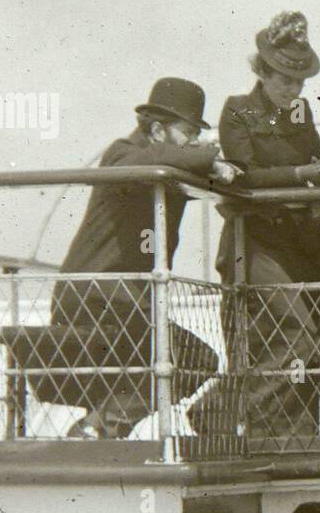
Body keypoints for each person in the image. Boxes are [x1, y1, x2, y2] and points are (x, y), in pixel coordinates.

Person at [53, 77, 234, 439]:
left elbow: (221, 177)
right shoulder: (123, 152)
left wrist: (219, 167)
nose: (193, 142)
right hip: (95, 296)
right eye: (187, 133)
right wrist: (209, 158)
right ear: (156, 130)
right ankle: (99, 428)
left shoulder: (170, 160)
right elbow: (146, 162)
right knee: (193, 361)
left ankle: (99, 428)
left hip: (125, 300)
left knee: (188, 361)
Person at [214, 11, 320, 438]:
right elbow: (242, 175)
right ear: (263, 72)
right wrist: (302, 177)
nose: (294, 90)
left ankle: (299, 434)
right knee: (294, 330)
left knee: (315, 343)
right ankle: (244, 424)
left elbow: (318, 160)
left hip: (301, 241)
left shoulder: (300, 112)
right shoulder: (237, 111)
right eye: (285, 80)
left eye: (300, 82)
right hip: (256, 240)